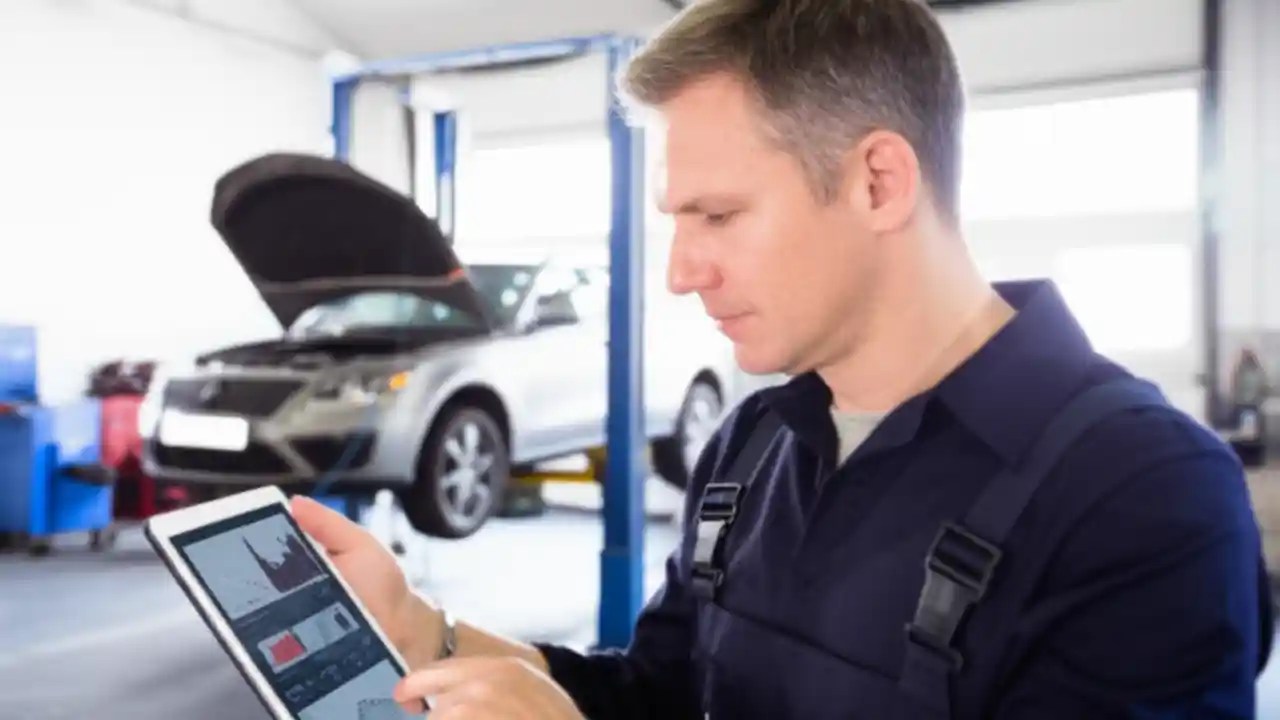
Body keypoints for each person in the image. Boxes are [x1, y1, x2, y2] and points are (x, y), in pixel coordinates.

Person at [291, 0, 1275, 717]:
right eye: (678, 221)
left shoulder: (1142, 495)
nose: (680, 272)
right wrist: (422, 628)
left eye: (718, 216)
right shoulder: (754, 446)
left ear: (879, 181)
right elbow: (656, 693)